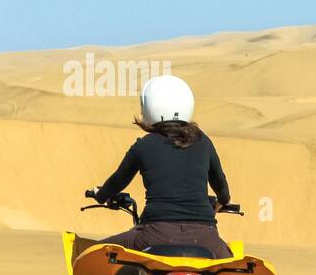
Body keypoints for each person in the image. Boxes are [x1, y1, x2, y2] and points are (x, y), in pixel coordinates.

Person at [89, 74, 234, 259]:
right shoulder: (203, 142)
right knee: (231, 267)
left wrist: (101, 195)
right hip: (206, 238)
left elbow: (117, 182)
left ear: (148, 107)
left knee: (94, 254)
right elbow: (221, 186)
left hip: (154, 235)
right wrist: (221, 202)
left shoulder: (144, 145)